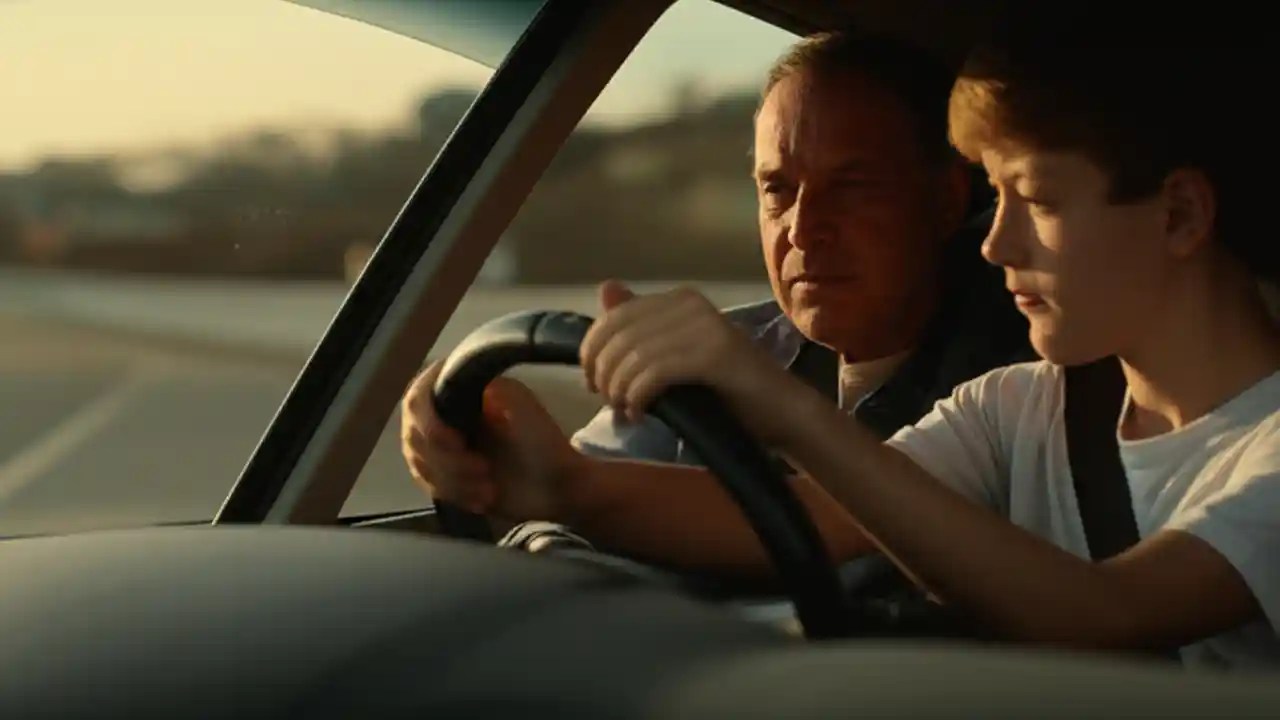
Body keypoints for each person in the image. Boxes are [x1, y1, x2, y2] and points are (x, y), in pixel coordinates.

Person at [571, 11, 1280, 667]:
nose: (997, 243)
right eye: (996, 198)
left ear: (1180, 214)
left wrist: (779, 408)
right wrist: (563, 483)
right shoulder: (1015, 406)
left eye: (1036, 199)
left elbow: (1109, 613)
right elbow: (817, 516)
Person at [401, 29, 1032, 579]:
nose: (804, 228)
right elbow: (565, 482)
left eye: (854, 187)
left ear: (947, 202)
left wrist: (569, 489)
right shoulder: (712, 359)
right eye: (777, 191)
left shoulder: (1017, 393)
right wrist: (475, 430)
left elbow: (842, 519)